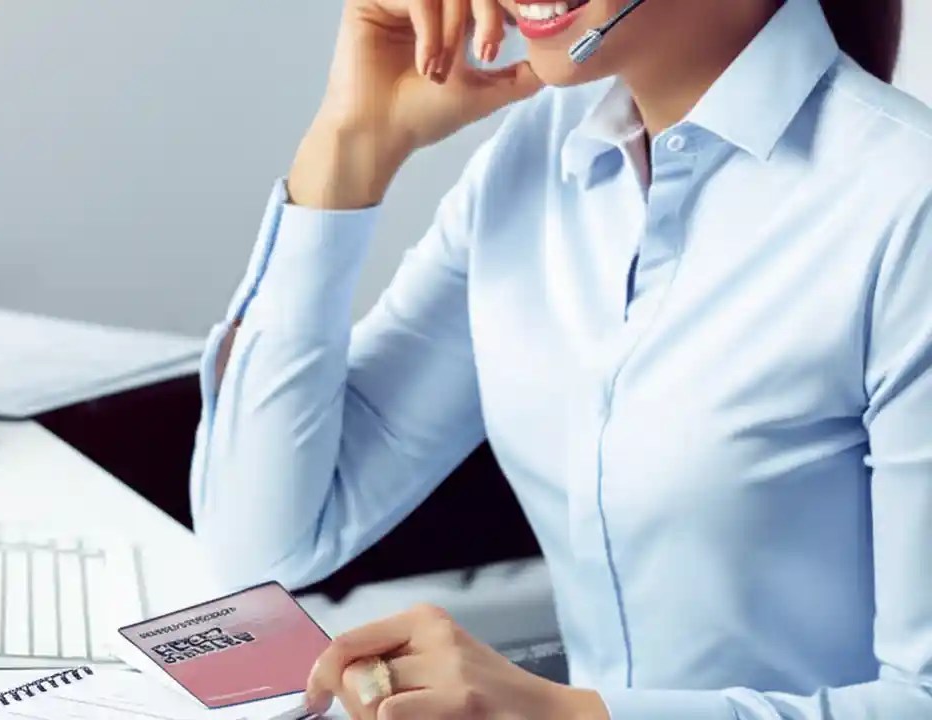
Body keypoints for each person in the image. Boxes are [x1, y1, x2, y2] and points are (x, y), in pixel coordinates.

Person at [189, 0, 930, 717]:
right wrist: (349, 146)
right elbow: (265, 546)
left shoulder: (905, 208)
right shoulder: (540, 155)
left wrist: (558, 714)